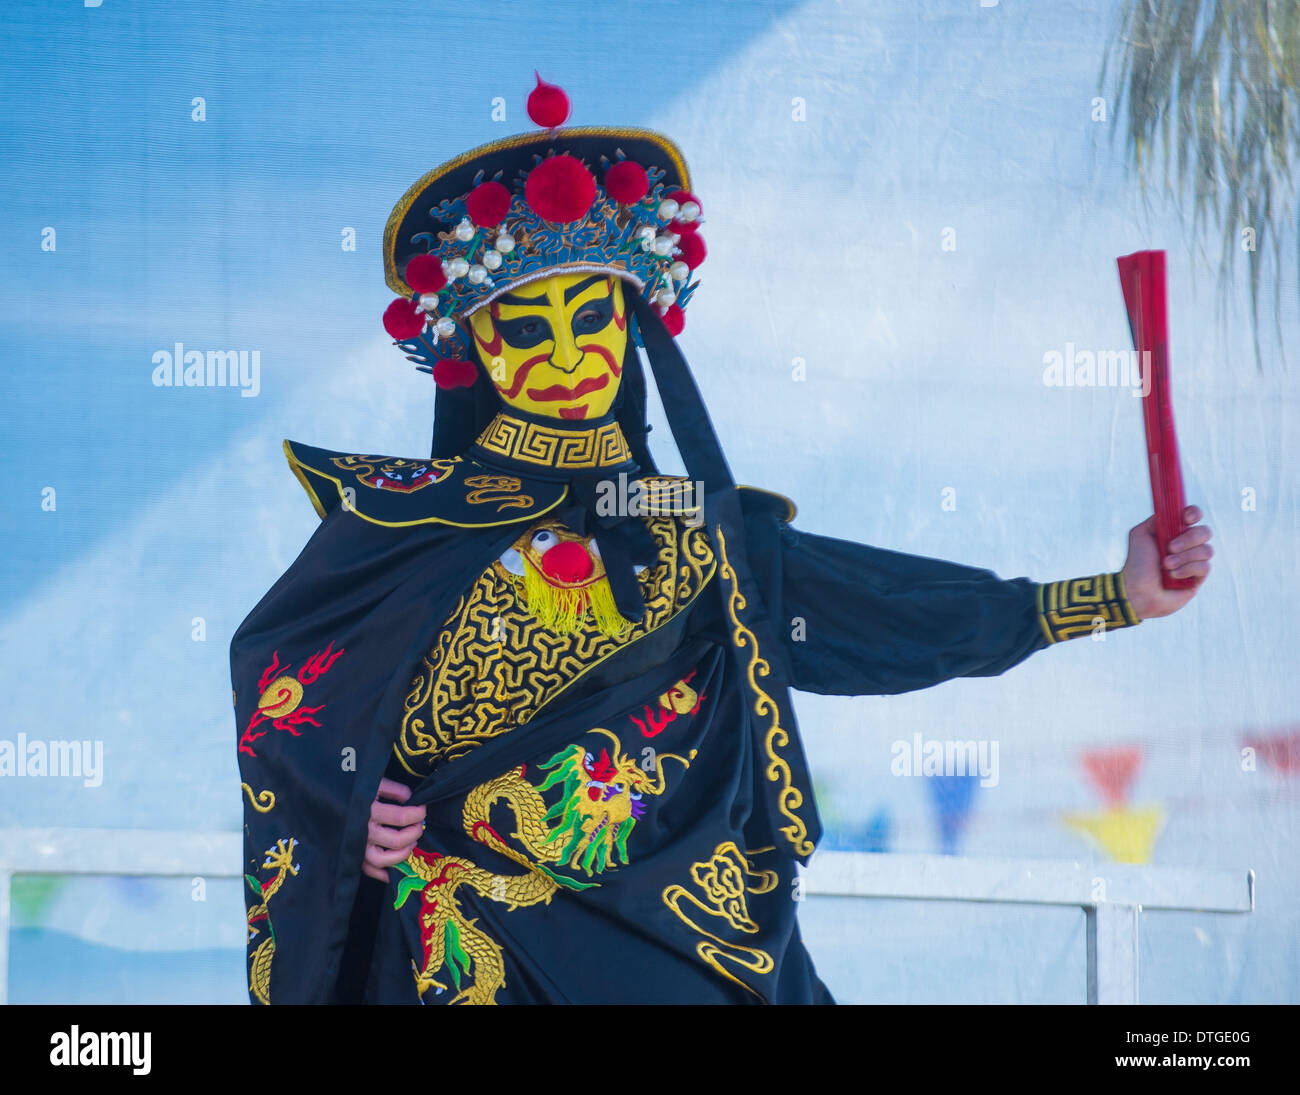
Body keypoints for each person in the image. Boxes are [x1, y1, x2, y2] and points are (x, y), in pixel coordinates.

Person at [231, 76, 1212, 1005]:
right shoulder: (399, 521)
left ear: (633, 328)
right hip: (468, 954)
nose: (572, 358)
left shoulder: (697, 532)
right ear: (474, 347)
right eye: (528, 329)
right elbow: (291, 701)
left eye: (595, 317)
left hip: (677, 947)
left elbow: (881, 612)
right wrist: (349, 809)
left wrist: (1115, 596)